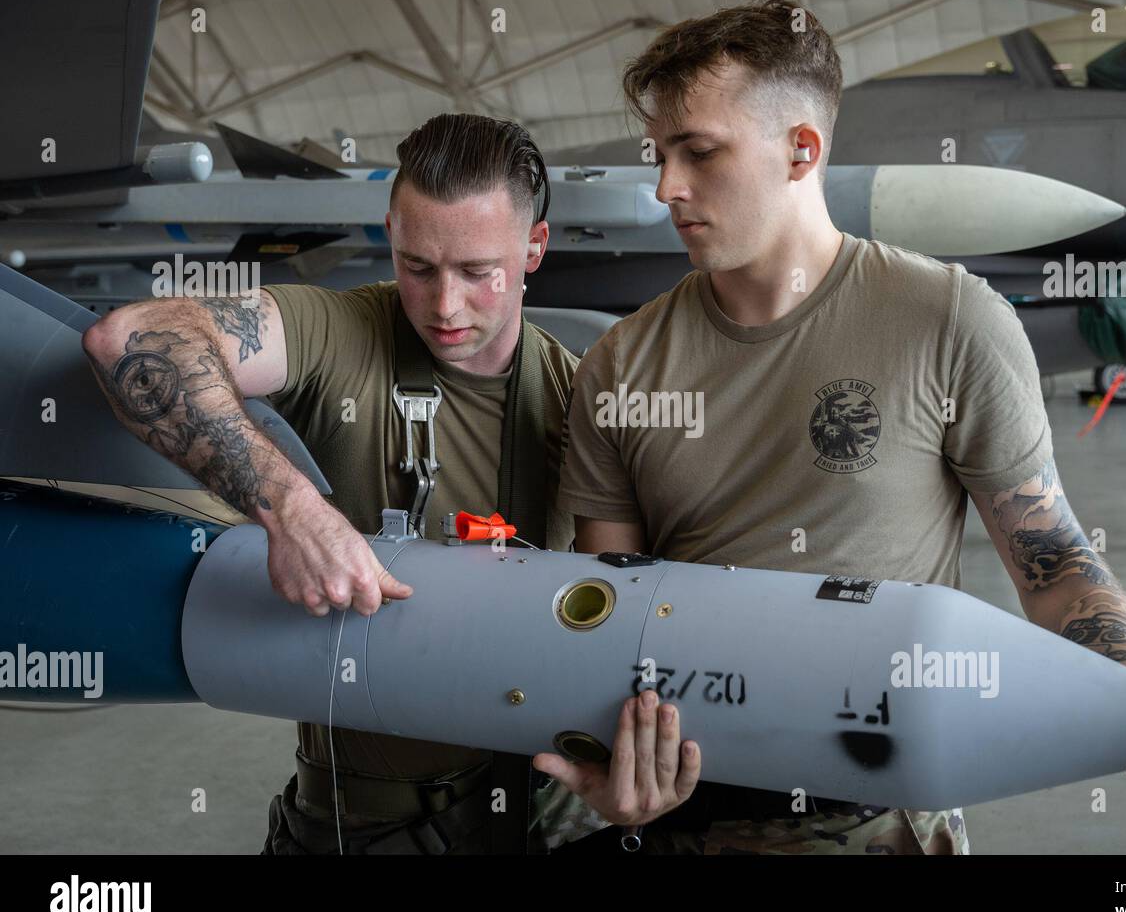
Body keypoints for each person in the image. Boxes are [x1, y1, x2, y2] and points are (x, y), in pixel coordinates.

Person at [549, 0, 1126, 855]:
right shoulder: (621, 364)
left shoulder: (951, 320)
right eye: (660, 155)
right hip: (687, 823)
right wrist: (613, 778)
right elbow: (606, 616)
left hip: (884, 827)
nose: (666, 188)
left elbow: (1056, 564)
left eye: (698, 152)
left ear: (802, 149)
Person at [82, 113, 694, 854]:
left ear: (534, 249)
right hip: (356, 824)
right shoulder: (341, 335)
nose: (443, 306)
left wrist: (636, 783)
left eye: (476, 272)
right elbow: (129, 342)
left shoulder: (584, 403)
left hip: (538, 813)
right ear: (390, 235)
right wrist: (292, 508)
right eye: (417, 266)